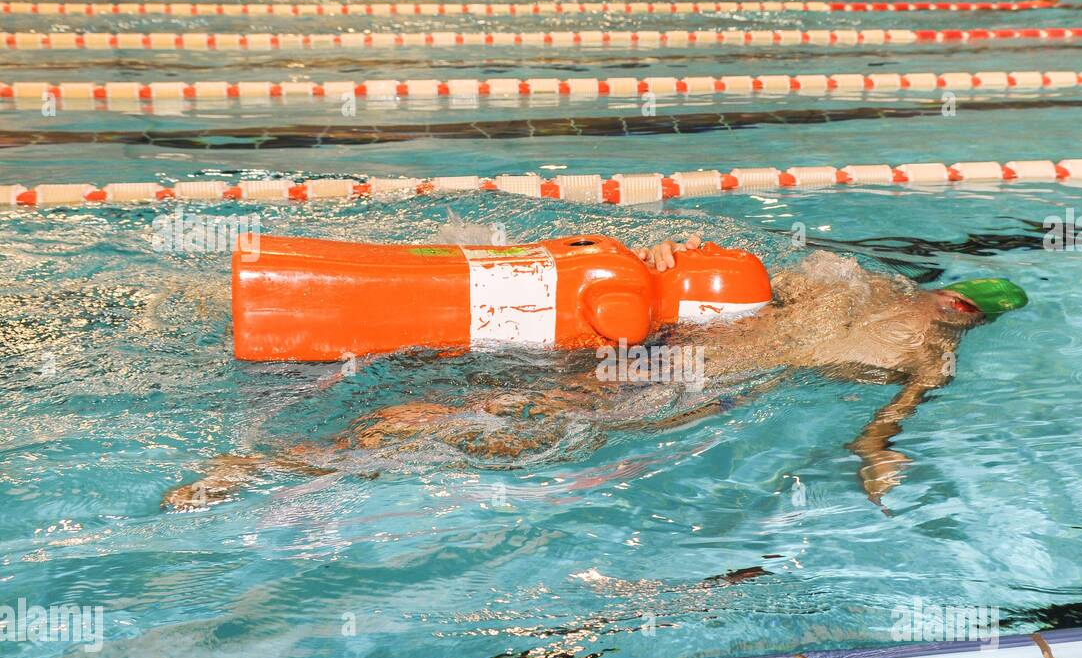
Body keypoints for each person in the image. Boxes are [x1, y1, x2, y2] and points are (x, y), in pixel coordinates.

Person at [163, 239, 1027, 511]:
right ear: (974, 314)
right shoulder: (933, 355)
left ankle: (288, 461)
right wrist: (879, 459)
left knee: (503, 403)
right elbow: (889, 421)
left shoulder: (843, 274)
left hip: (664, 346)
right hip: (691, 384)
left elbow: (726, 278)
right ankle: (277, 469)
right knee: (511, 426)